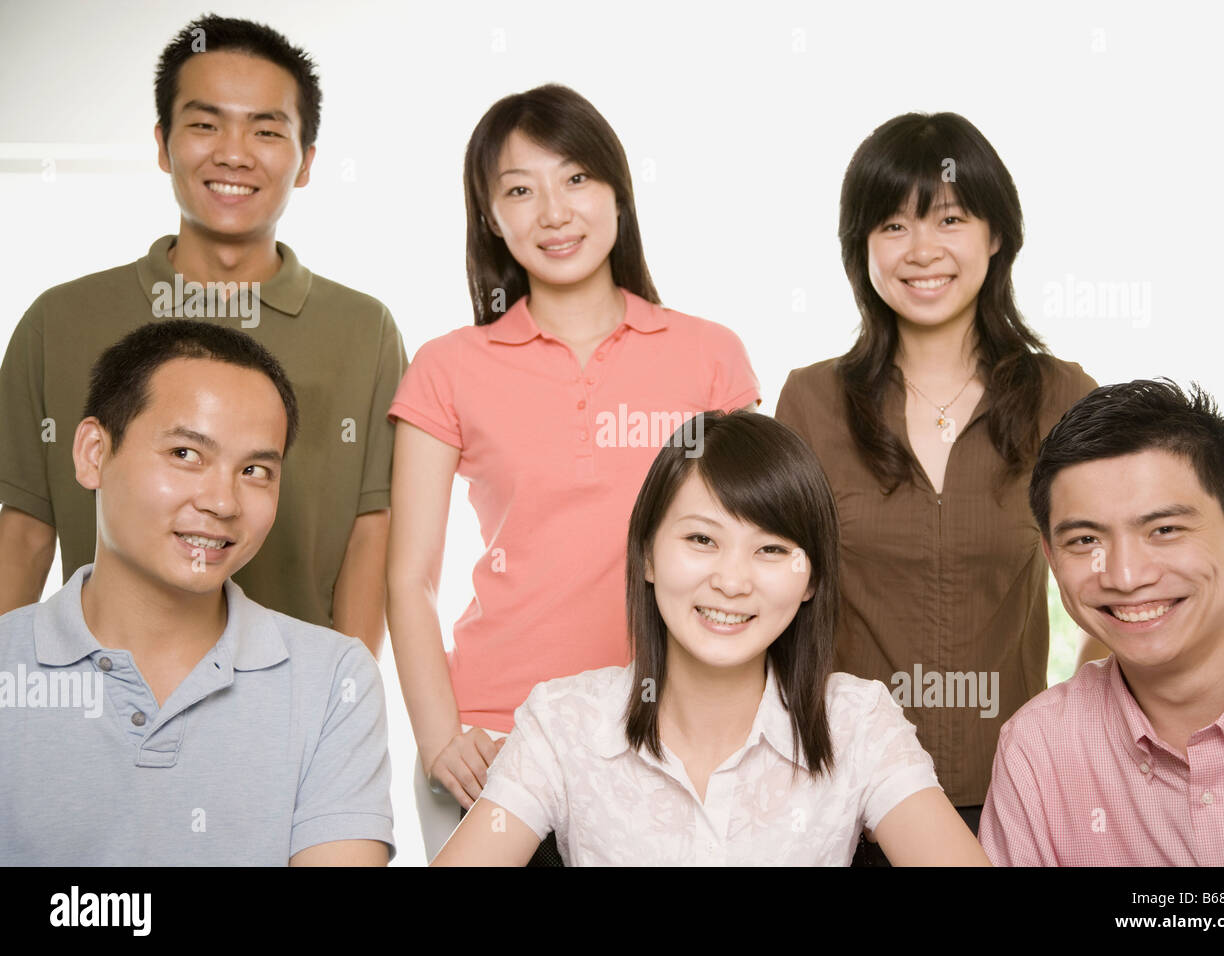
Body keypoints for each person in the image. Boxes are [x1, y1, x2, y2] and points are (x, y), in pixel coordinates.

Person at [387, 85, 760, 861]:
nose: (552, 212)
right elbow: (411, 578)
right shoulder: (446, 366)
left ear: (619, 193)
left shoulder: (710, 354)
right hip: (500, 735)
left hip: (673, 725)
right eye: (519, 190)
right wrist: (438, 737)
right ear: (491, 217)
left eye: (576, 179)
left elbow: (757, 546)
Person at [0, 14, 406, 655]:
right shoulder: (60, 318)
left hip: (285, 704)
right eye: (205, 123)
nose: (234, 153)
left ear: (305, 162)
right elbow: (23, 530)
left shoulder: (364, 329)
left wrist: (345, 693)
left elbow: (371, 531)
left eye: (267, 130)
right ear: (162, 143)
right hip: (96, 698)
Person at [432, 411, 989, 865]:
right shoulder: (561, 723)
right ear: (648, 554)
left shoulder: (857, 723)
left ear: (812, 578)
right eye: (702, 538)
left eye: (771, 549)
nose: (730, 581)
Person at [773, 112, 1097, 861]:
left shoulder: (1064, 396)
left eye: (949, 219)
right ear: (861, 250)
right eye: (891, 225)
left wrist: (1083, 711)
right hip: (840, 791)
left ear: (996, 235)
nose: (921, 250)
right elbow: (773, 592)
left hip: (1013, 785)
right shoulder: (810, 401)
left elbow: (1113, 574)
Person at [0, 321, 394, 865]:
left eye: (255, 470)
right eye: (186, 454)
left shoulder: (334, 681)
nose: (222, 502)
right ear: (94, 452)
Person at [980, 380, 1224, 866]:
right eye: (1085, 540)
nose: (1126, 577)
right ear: (1050, 556)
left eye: (1165, 530)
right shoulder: (1037, 748)